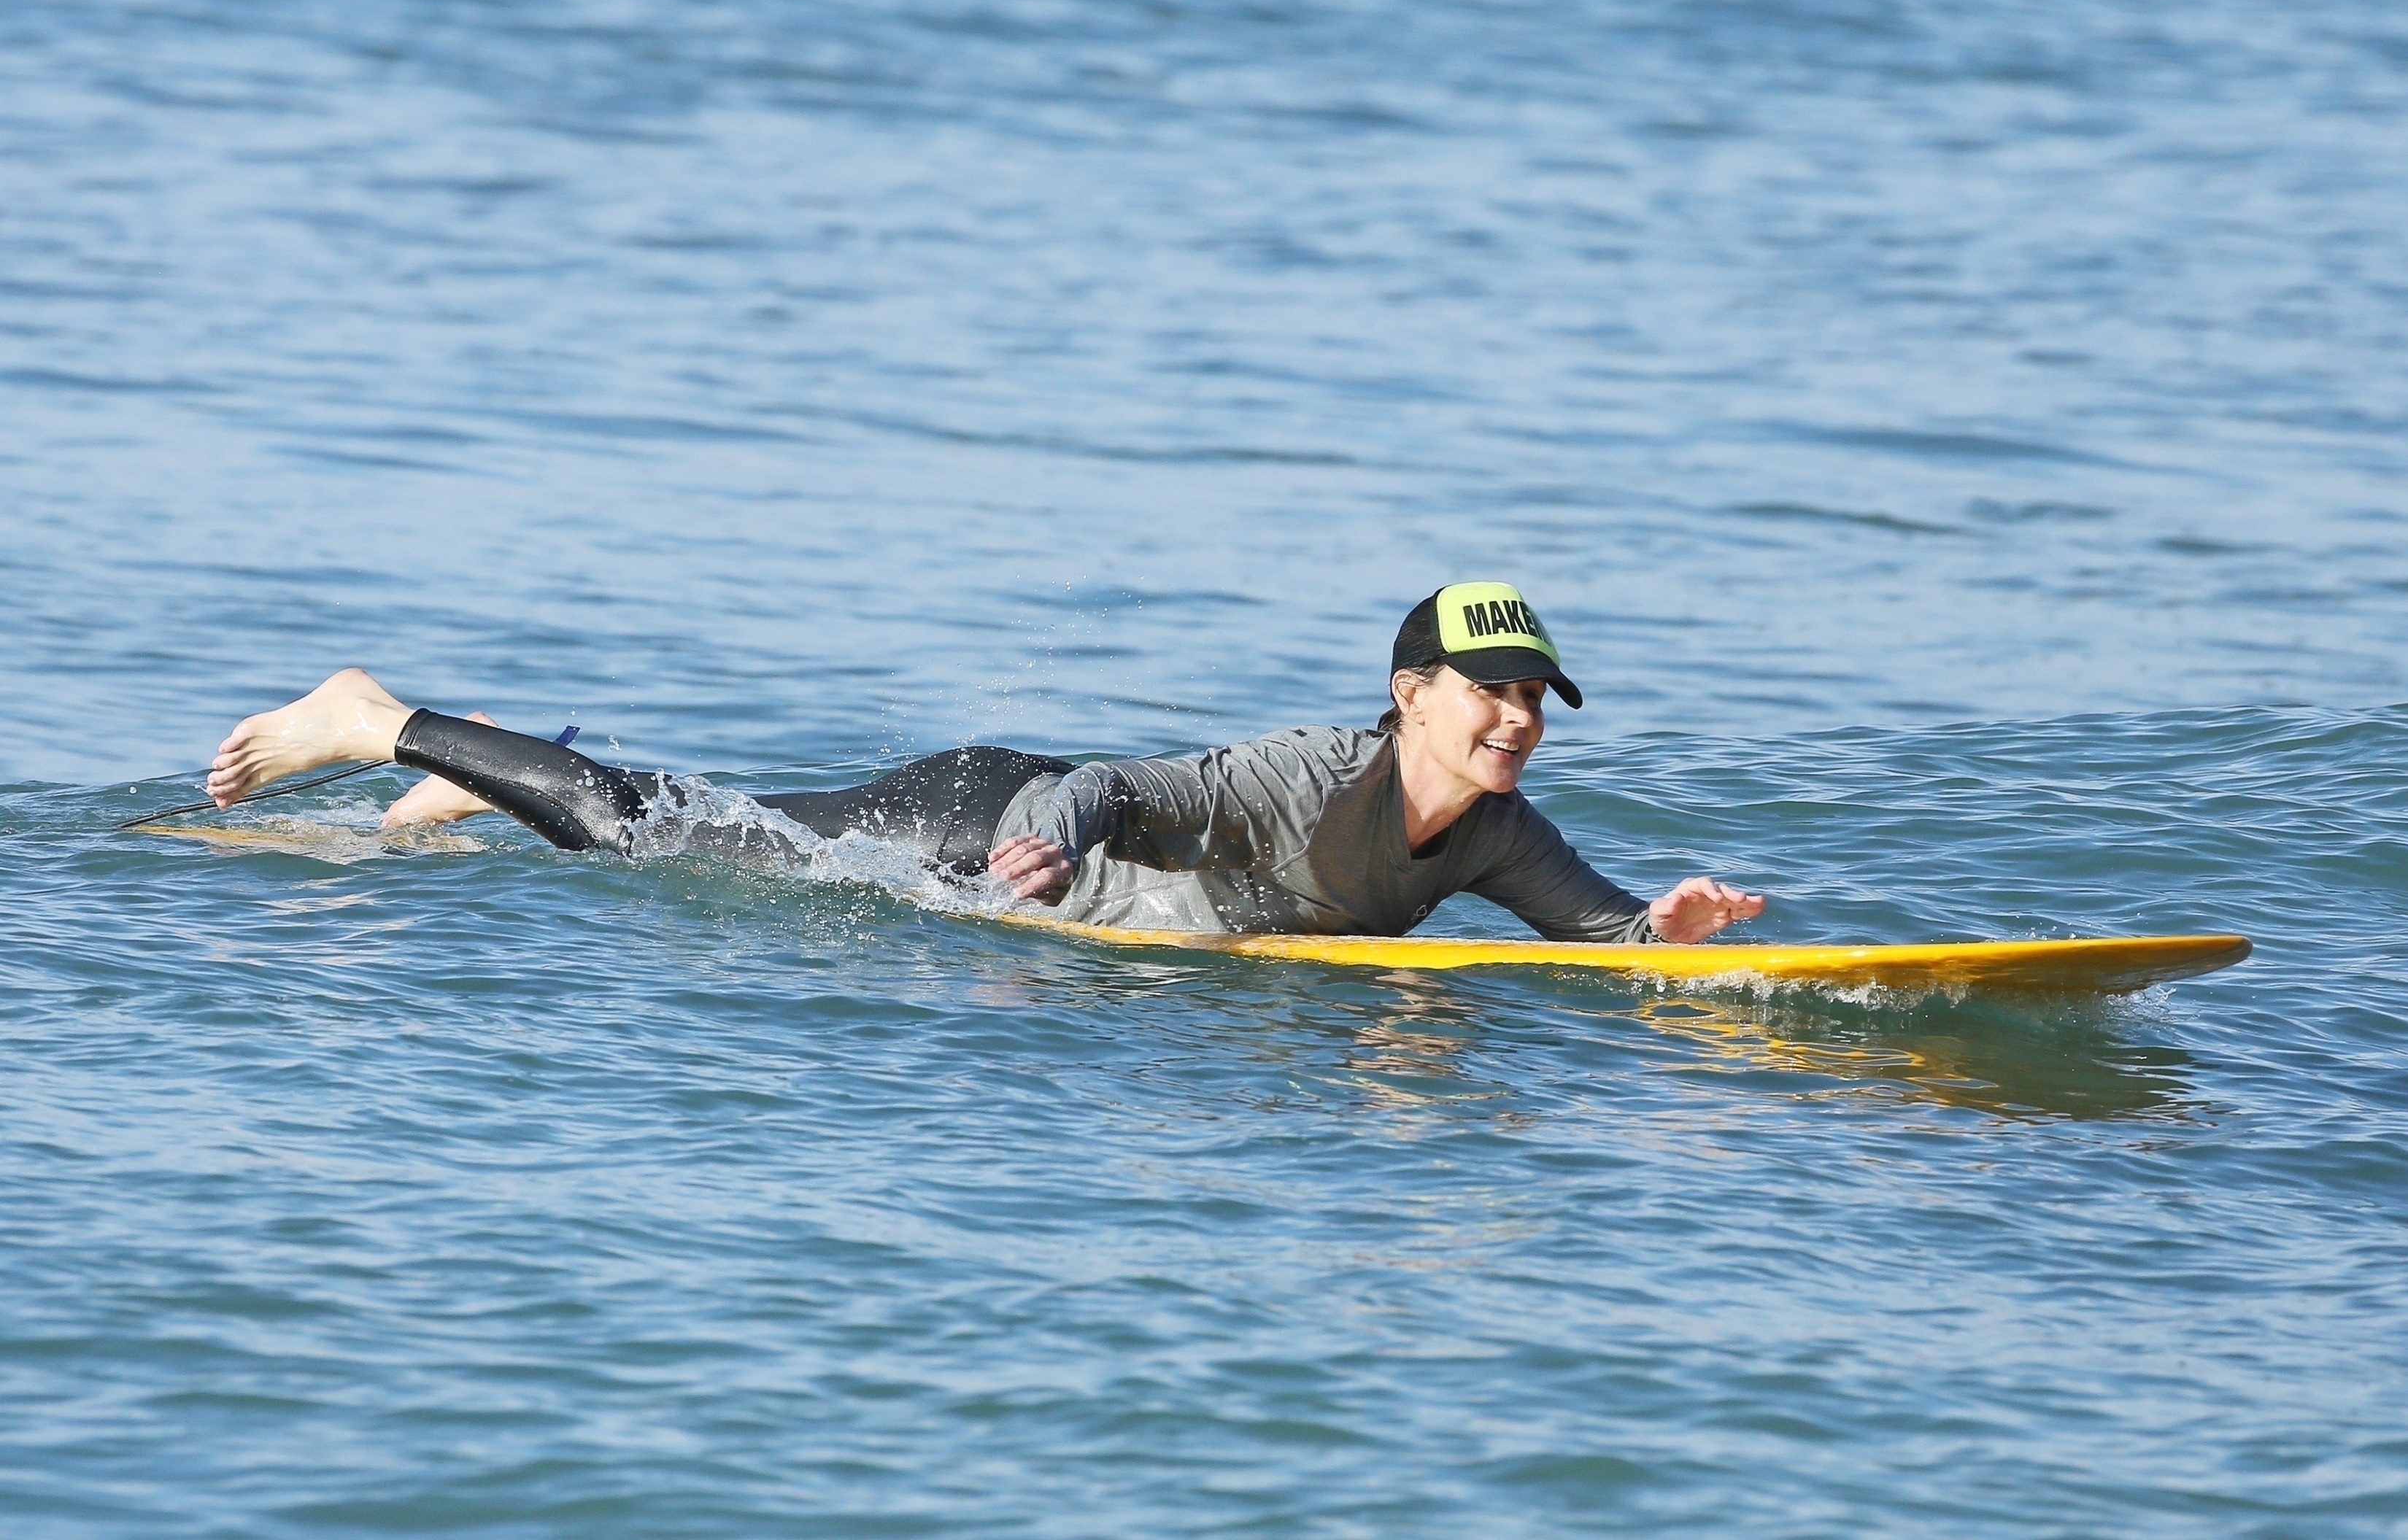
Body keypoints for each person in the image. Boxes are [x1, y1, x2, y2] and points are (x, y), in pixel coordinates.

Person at [206, 582, 1765, 943]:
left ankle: (472, 782)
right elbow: (1122, 784)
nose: (1520, 720)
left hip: (1035, 854)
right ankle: (374, 714)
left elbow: (1601, 936)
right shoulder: (1308, 772)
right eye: (1493, 693)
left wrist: (1665, 933)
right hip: (977, 820)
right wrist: (1044, 853)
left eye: (1538, 699)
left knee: (668, 813)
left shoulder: (1494, 833)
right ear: (1412, 694)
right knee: (649, 838)